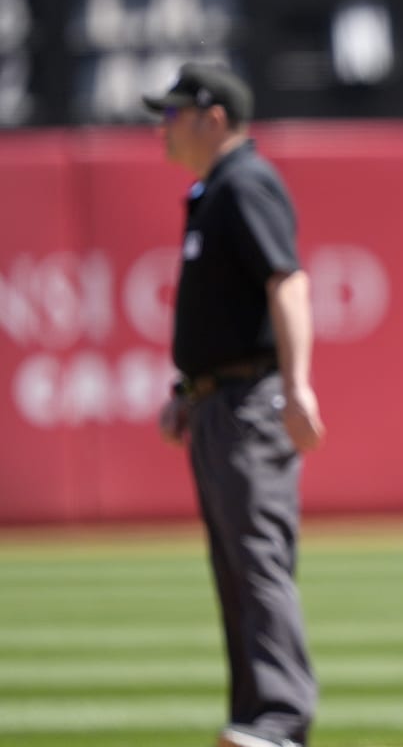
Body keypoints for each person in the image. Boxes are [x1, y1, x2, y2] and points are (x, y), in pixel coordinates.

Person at [146, 61, 326, 747]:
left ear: (212, 116)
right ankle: (257, 719)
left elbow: (287, 281)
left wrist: (297, 385)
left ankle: (280, 720)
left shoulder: (245, 181)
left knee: (257, 558)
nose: (163, 127)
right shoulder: (212, 191)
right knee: (235, 568)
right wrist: (186, 389)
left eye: (173, 113)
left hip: (251, 402)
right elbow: (221, 312)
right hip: (218, 402)